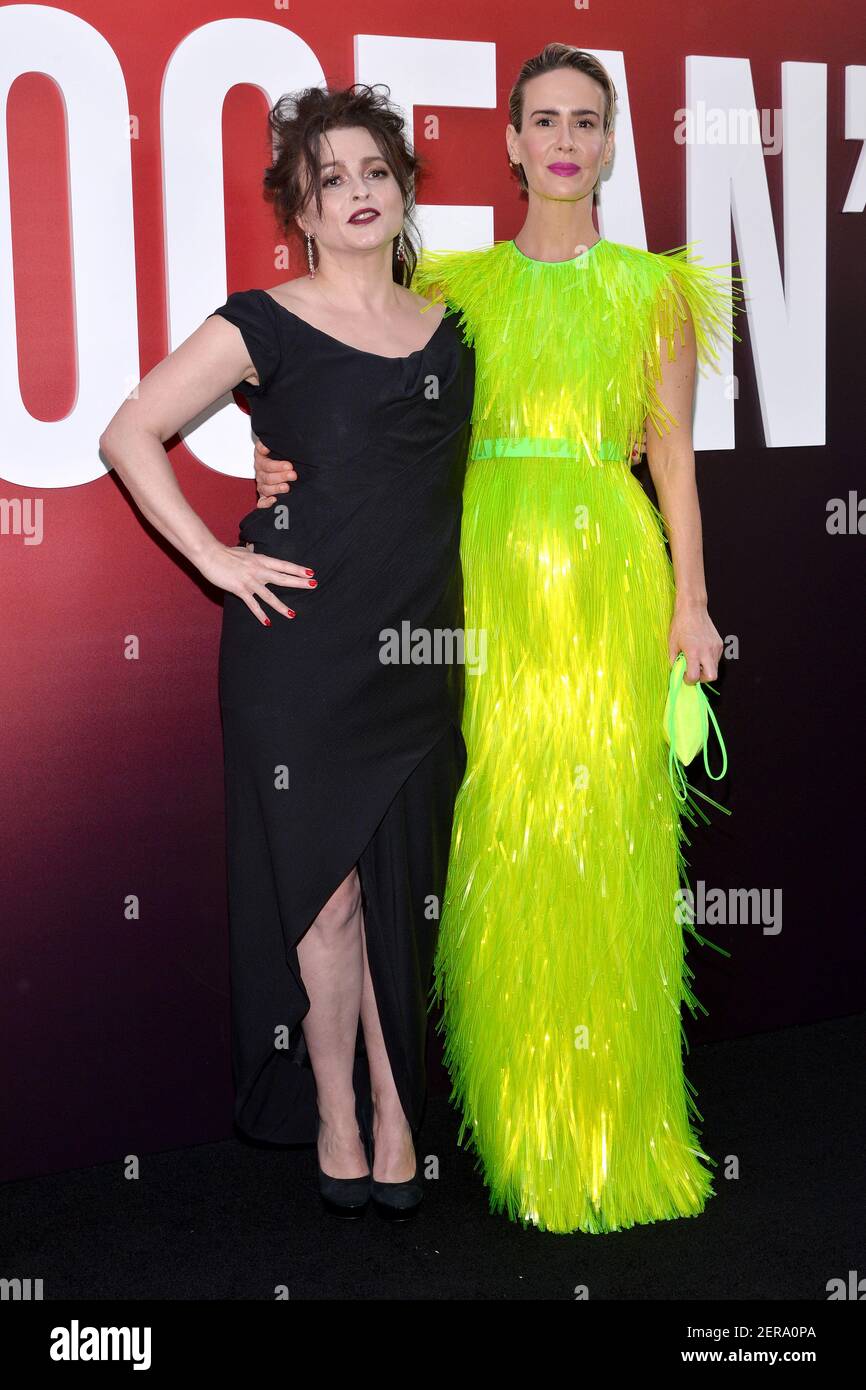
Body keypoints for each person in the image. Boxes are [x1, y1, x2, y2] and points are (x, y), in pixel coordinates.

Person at [253, 44, 745, 1235]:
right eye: (544, 120)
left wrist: (691, 599)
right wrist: (277, 468)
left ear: (609, 143)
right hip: (470, 599)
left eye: (588, 120)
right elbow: (358, 394)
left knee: (605, 850)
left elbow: (670, 455)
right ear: (513, 144)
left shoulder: (653, 290)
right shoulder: (460, 287)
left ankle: (612, 1133)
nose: (566, 139)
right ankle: (516, 1128)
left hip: (606, 584)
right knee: (497, 850)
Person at [99, 84, 475, 1221]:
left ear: (404, 191)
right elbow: (129, 430)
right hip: (297, 650)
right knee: (323, 898)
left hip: (418, 651)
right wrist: (219, 555)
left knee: (400, 886)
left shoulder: (460, 327)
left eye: (375, 172)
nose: (357, 193)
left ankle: (401, 1108)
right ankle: (335, 1110)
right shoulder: (261, 320)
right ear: (301, 212)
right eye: (331, 181)